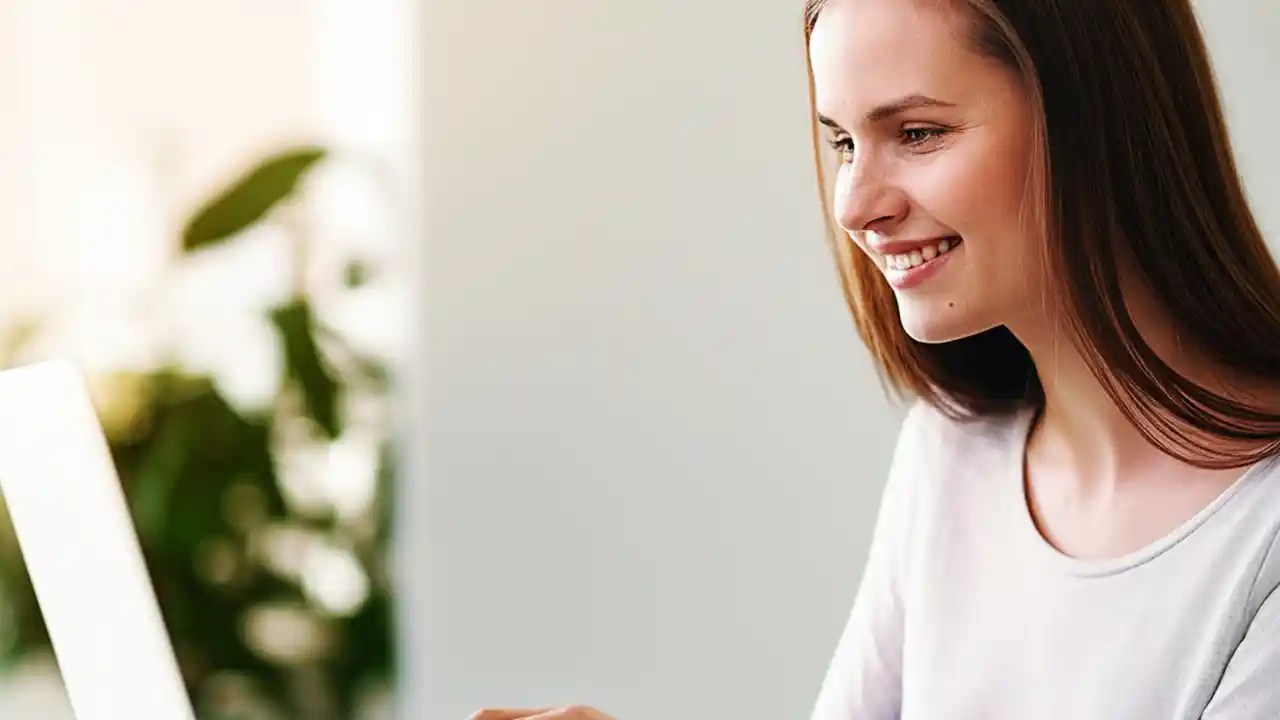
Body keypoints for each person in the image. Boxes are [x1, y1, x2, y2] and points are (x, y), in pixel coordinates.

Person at [468, 0, 1280, 717]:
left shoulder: (1260, 532)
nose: (855, 204)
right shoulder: (952, 451)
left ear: (1101, 121)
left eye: (918, 133)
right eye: (843, 142)